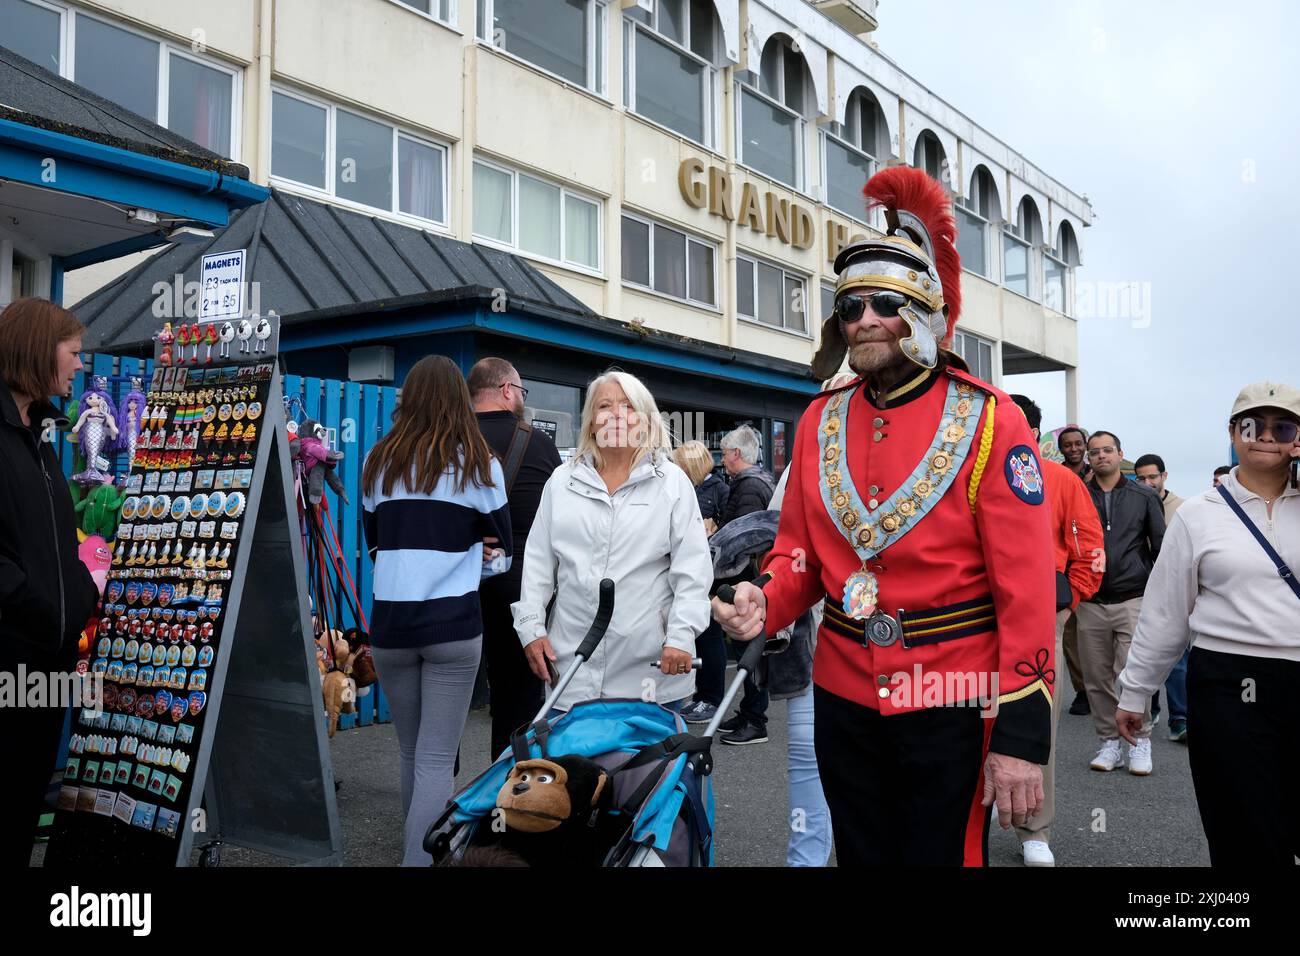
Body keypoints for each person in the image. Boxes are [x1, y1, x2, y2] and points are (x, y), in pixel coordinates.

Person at [714, 166, 1055, 867]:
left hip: (954, 693)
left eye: (886, 303)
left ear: (925, 314)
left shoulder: (992, 419)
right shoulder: (817, 420)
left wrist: (1022, 733)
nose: (865, 318)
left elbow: (1026, 589)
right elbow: (800, 556)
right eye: (851, 307)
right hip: (844, 690)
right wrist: (764, 601)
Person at [1116, 381, 1300, 866]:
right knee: (1244, 829)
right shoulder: (1198, 515)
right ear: (1231, 432)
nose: (1265, 435)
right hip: (1228, 681)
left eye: (1282, 425)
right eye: (1250, 424)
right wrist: (1136, 692)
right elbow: (1165, 612)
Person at [361, 355, 512, 866]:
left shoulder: (377, 463)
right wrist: (474, 561)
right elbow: (502, 548)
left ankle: (417, 851)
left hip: (391, 627)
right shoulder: (477, 462)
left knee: (412, 753)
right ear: (458, 399)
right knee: (433, 757)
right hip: (452, 624)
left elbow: (376, 546)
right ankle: (419, 861)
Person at [513, 370, 711, 712]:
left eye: (628, 406)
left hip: (650, 673)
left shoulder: (672, 483)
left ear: (646, 420)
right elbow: (537, 564)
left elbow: (692, 570)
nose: (617, 414)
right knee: (575, 766)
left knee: (648, 767)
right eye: (605, 406)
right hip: (572, 669)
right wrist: (531, 628)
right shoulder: (562, 482)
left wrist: (681, 636)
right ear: (591, 422)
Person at [0, 298, 99, 867]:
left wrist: (81, 593)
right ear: (40, 350)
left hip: (49, 661)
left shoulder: (39, 437)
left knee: (23, 803)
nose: (80, 365)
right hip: (12, 655)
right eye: (74, 351)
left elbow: (56, 547)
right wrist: (36, 608)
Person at [1009, 395, 1104, 866]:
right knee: (963, 710)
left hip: (1041, 609)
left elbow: (1089, 543)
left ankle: (1035, 828)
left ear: (1030, 430)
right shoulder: (964, 469)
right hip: (969, 609)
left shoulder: (1062, 478)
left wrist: (1072, 598)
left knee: (1037, 714)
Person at [468, 357, 562, 758]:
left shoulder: (448, 440)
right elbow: (561, 518)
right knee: (517, 701)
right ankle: (510, 793)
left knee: (446, 698)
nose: (522, 398)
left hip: (457, 582)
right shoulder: (538, 444)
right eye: (521, 391)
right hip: (519, 587)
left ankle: (438, 794)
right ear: (507, 390)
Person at [1077, 430, 1164, 775]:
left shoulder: (1144, 495)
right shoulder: (1078, 494)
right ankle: (1108, 742)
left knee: (1131, 674)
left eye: (1107, 450)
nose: (1101, 456)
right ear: (1089, 457)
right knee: (1096, 677)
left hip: (1133, 596)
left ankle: (1140, 740)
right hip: (1091, 599)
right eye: (1094, 452)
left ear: (1120, 454)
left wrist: (1160, 595)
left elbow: (1159, 546)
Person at [715, 425, 776, 744]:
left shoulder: (749, 486)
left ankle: (755, 720)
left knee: (751, 649)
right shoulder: (756, 481)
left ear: (737, 454)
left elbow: (744, 537)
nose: (722, 459)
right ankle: (750, 711)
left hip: (746, 580)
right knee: (750, 649)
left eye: (725, 453)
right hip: (751, 577)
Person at [1134, 452, 1188, 741]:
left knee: (1178, 659)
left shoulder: (1183, 509)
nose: (1147, 482)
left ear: (1164, 476)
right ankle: (1150, 709)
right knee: (1146, 651)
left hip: (1175, 590)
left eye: (1152, 477)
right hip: (1141, 588)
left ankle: (1179, 718)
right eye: (1141, 478)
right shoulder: (1133, 502)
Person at [673, 441, 729, 725]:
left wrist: (711, 530)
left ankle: (711, 699)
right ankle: (701, 695)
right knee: (698, 636)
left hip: (713, 573)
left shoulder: (719, 489)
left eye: (682, 465)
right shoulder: (688, 488)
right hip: (694, 569)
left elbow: (730, 530)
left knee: (710, 636)